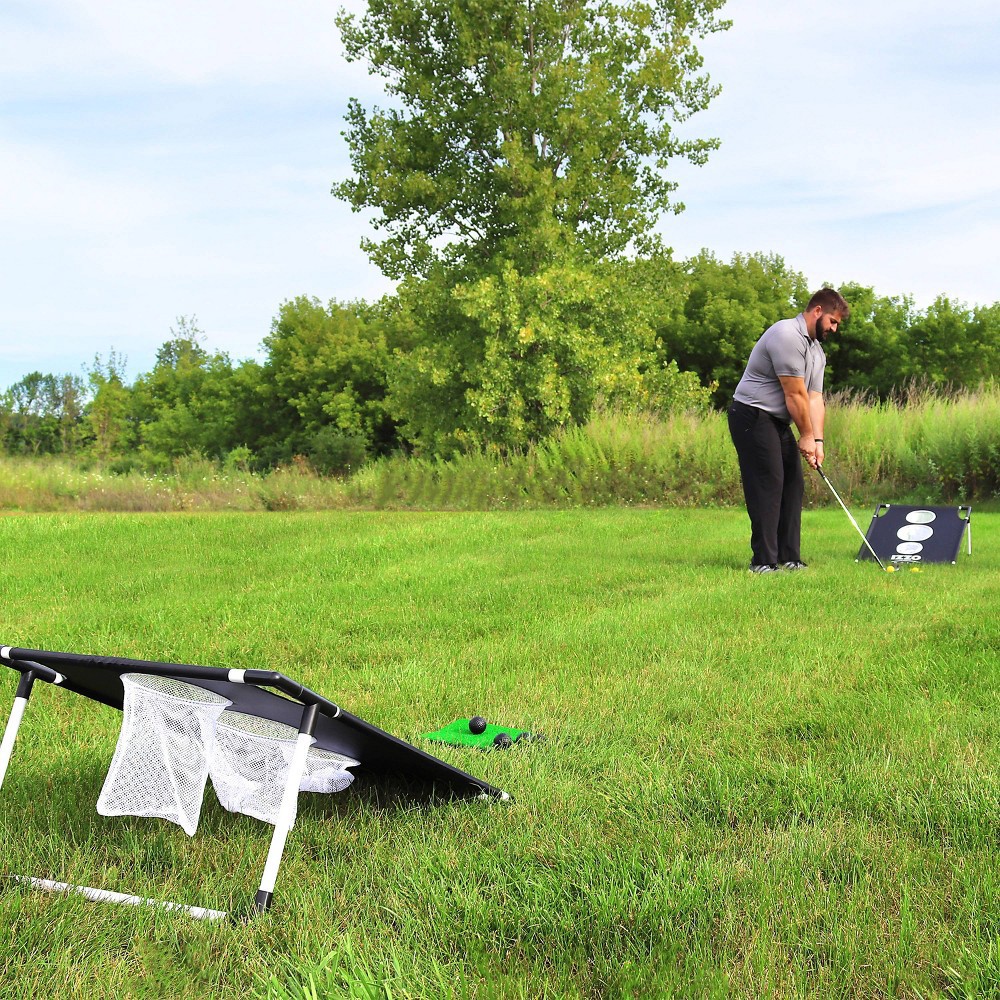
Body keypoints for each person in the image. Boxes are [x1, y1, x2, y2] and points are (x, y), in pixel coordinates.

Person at [727, 288, 850, 574]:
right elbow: (794, 394)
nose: (834, 329)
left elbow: (814, 399)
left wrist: (817, 440)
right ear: (817, 311)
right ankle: (763, 561)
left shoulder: (816, 351)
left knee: (793, 483)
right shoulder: (786, 335)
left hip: (777, 420)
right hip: (751, 414)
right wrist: (805, 436)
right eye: (832, 321)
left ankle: (789, 557)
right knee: (768, 482)